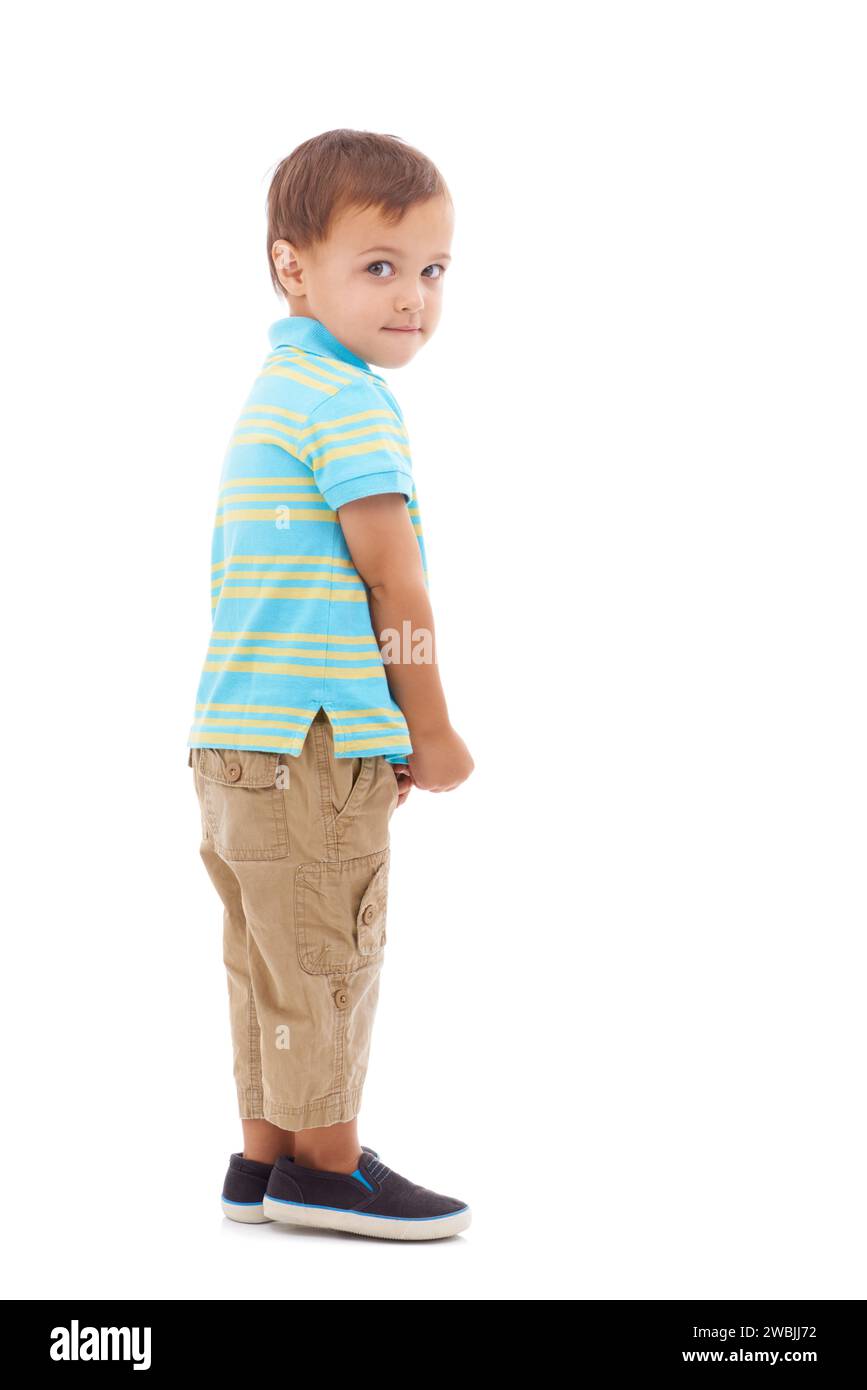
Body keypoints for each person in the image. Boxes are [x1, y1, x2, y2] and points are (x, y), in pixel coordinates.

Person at [186, 129, 474, 1240]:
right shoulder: (349, 402)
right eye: (381, 265)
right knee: (327, 951)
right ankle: (327, 1166)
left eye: (434, 269)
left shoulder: (279, 389)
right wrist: (428, 728)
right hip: (307, 738)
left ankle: (264, 1156)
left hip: (233, 735)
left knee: (266, 950)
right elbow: (391, 582)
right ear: (292, 265)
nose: (414, 297)